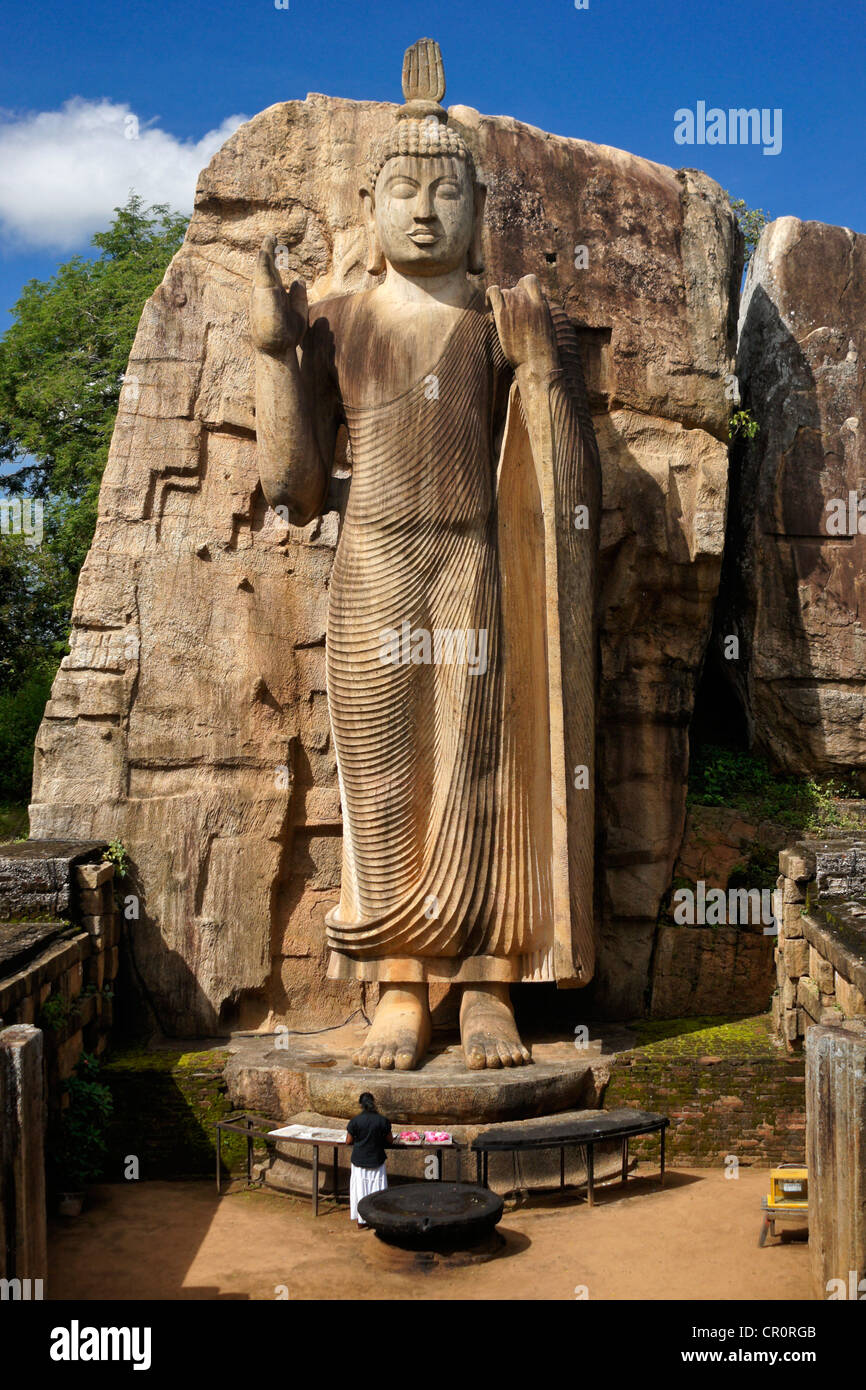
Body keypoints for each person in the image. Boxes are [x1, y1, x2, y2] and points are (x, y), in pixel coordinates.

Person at [346, 1093, 392, 1226]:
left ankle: (361, 1220)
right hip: (376, 1160)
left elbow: (348, 1141)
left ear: (360, 1105)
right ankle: (377, 1217)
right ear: (374, 1103)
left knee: (360, 1189)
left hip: (360, 1162)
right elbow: (390, 1140)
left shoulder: (355, 1121)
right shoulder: (382, 1120)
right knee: (377, 1189)